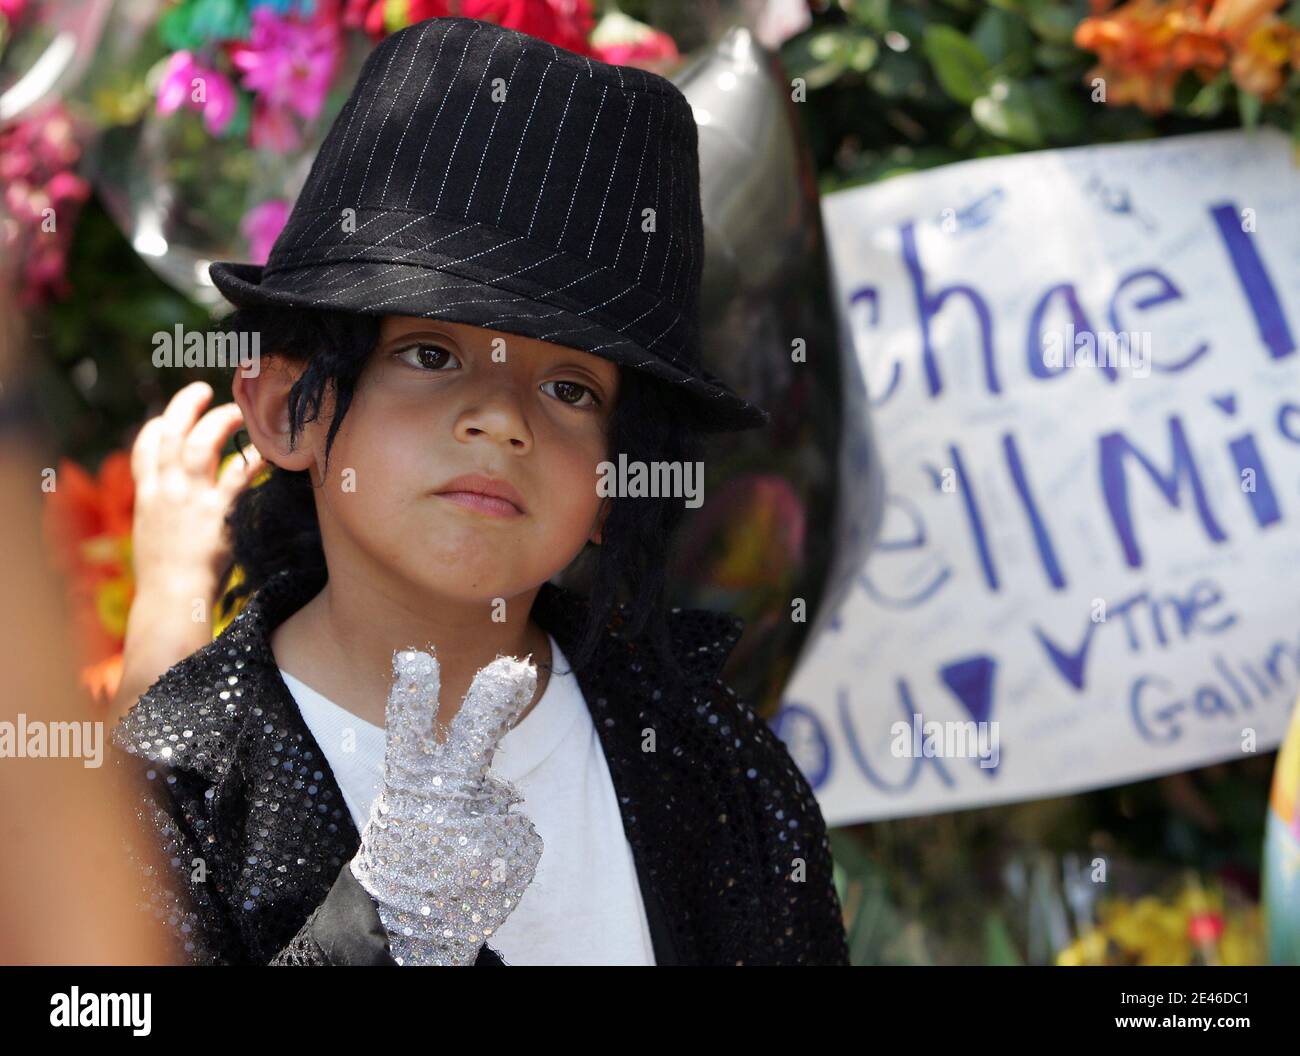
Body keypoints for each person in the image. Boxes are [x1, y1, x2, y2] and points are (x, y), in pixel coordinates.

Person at [109, 14, 849, 966]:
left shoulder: (713, 763)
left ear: (614, 483)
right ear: (290, 408)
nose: (502, 421)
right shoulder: (169, 789)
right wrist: (378, 934)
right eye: (430, 353)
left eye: (571, 389)